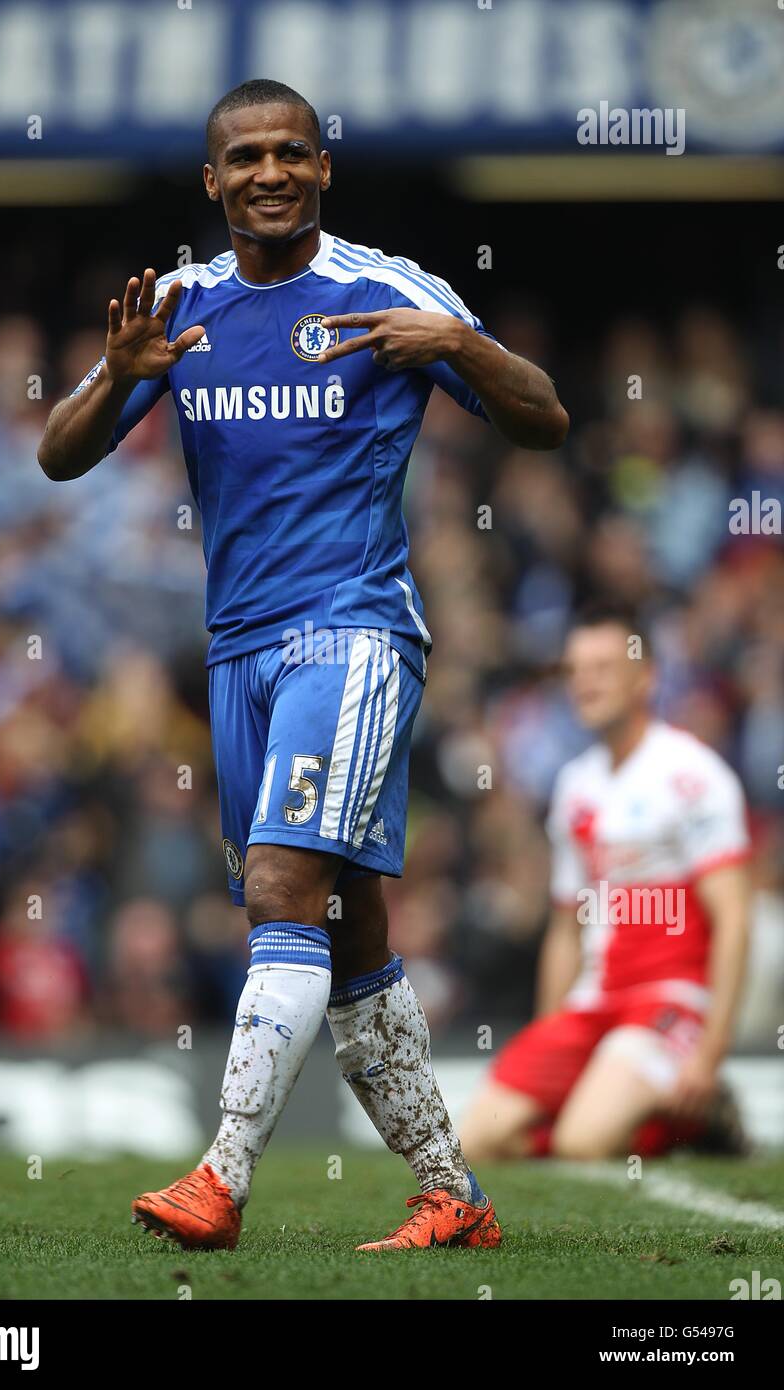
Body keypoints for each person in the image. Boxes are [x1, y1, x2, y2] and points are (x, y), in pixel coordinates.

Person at [38, 78, 568, 1252]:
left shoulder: (386, 292)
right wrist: (123, 373)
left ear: (323, 169)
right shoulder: (177, 306)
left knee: (281, 891)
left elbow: (544, 417)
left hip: (354, 629)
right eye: (245, 158)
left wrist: (459, 345)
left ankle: (221, 1178)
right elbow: (58, 456)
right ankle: (453, 1195)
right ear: (212, 181)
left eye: (291, 153)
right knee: (352, 930)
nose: (268, 173)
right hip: (236, 652)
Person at [461, 603, 752, 1162]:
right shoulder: (576, 786)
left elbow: (734, 917)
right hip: (596, 1002)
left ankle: (700, 1112)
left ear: (647, 677)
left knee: (582, 1142)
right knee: (479, 1138)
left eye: (601, 667)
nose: (584, 683)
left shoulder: (692, 774)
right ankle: (649, 1109)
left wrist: (711, 1052)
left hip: (668, 1002)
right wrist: (552, 1030)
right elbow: (567, 927)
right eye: (575, 671)